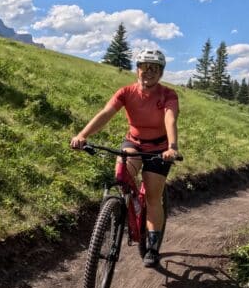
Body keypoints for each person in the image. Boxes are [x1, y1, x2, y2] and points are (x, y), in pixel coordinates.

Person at [70, 48, 180, 267]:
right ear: (137, 69)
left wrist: (172, 147)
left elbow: (170, 119)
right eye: (144, 67)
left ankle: (151, 245)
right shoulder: (126, 92)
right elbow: (105, 114)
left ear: (160, 73)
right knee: (121, 173)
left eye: (154, 68)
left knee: (152, 197)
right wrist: (82, 135)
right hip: (134, 143)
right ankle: (121, 207)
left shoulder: (168, 95)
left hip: (159, 148)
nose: (149, 72)